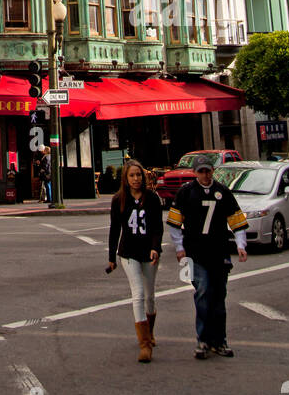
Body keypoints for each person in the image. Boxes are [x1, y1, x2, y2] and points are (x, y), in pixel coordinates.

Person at [166, 153, 248, 359]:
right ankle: (203, 340)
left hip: (219, 251)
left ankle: (219, 341)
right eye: (200, 171)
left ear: (213, 171)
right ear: (195, 173)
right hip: (195, 252)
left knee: (219, 296)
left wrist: (240, 245)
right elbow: (175, 223)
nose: (204, 175)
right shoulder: (186, 193)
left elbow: (237, 222)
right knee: (202, 291)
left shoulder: (223, 192)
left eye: (207, 171)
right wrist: (179, 248)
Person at [105, 159, 163, 362]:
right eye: (132, 175)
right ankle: (144, 344)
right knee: (138, 294)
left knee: (150, 296)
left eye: (138, 175)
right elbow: (115, 229)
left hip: (148, 253)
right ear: (126, 179)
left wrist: (156, 248)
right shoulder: (119, 199)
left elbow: (157, 227)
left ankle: (150, 332)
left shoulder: (153, 199)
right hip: (128, 253)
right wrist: (112, 257)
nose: (136, 179)